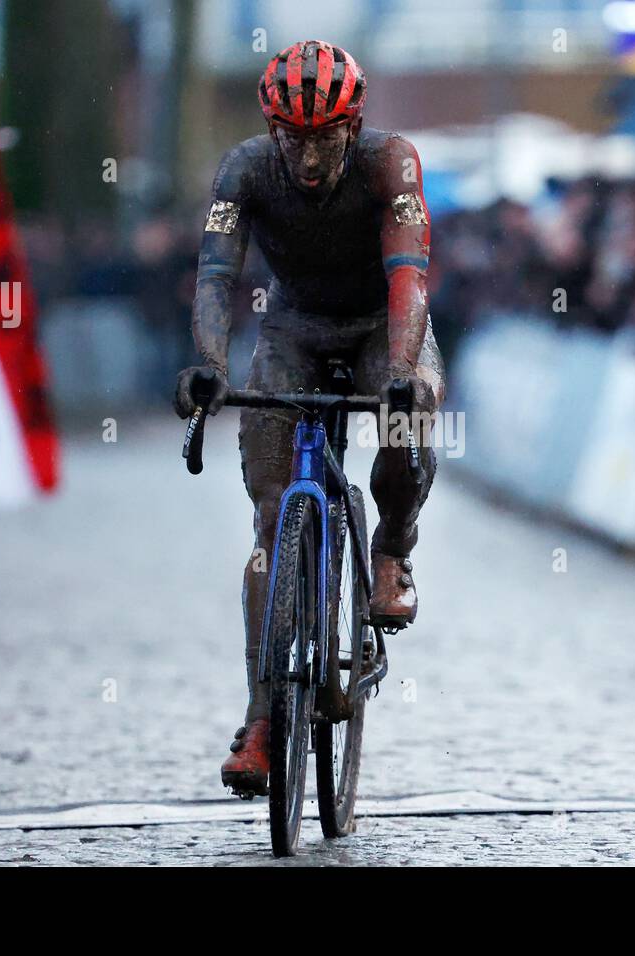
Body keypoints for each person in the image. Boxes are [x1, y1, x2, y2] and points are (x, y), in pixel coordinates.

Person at [171, 40, 445, 797]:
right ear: (273, 129)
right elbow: (215, 275)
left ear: (353, 127)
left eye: (325, 137)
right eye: (293, 138)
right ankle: (262, 719)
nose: (310, 156)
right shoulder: (244, 169)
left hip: (383, 328)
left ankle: (392, 547)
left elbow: (409, 274)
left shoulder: (392, 163)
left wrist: (401, 374)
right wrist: (209, 364)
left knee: (406, 422)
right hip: (293, 331)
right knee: (270, 530)